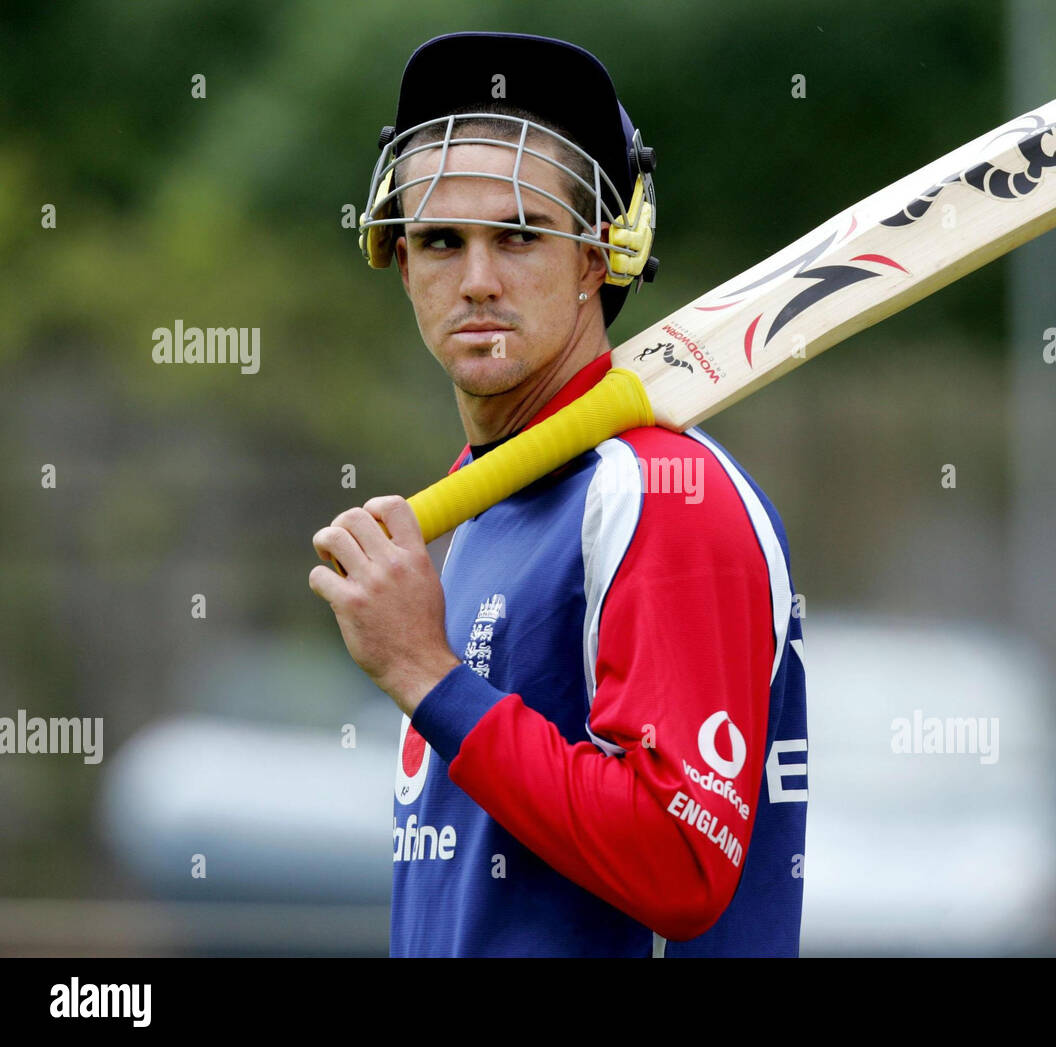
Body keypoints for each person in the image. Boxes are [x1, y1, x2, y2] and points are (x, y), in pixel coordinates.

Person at [308, 31, 809, 957]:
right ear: (400, 261)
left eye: (522, 235)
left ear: (597, 260)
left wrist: (427, 676)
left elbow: (683, 865)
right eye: (440, 241)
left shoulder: (661, 493)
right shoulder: (469, 511)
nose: (478, 281)